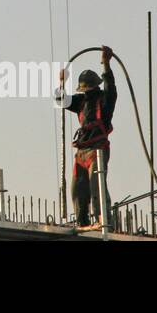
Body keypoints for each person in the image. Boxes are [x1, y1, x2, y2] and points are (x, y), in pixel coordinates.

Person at [56, 45, 117, 228]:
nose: (86, 92)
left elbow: (110, 86)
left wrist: (106, 64)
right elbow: (61, 100)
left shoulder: (105, 100)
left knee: (96, 186)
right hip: (82, 153)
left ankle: (103, 220)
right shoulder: (81, 101)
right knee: (78, 190)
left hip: (97, 150)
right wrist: (61, 83)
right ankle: (82, 222)